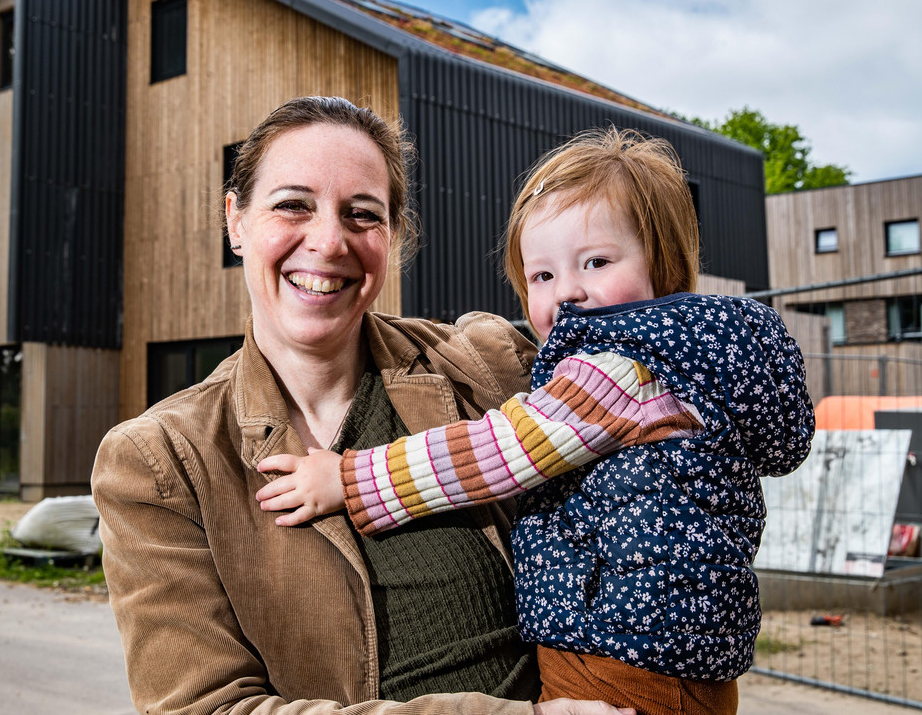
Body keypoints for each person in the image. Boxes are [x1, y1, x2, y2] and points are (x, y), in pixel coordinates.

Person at [92, 97, 632, 715]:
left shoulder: (486, 366)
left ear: (393, 237)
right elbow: (201, 708)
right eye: (293, 204)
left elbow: (660, 398)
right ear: (236, 221)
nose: (328, 241)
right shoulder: (161, 460)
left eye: (362, 215)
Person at [257, 128, 815, 715]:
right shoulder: (687, 360)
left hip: (626, 649)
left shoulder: (617, 370)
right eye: (543, 277)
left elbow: (499, 452)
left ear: (663, 264)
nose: (568, 293)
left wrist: (349, 479)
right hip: (663, 644)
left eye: (596, 262)